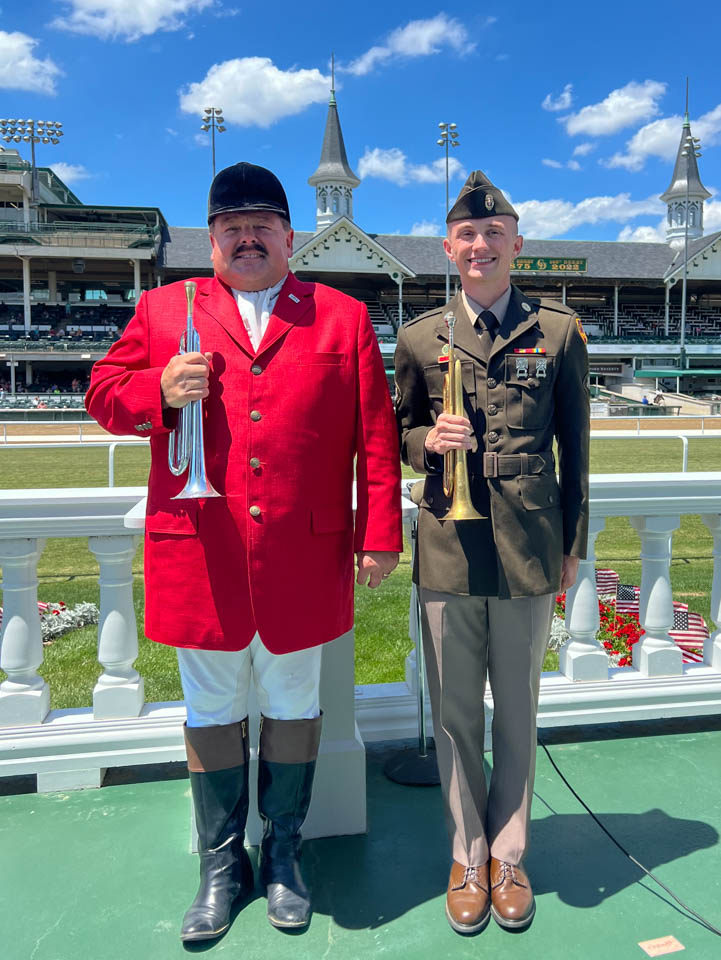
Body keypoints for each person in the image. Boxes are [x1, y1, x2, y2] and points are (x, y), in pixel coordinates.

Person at [86, 161, 402, 941]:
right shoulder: (165, 308)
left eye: (262, 225)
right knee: (212, 710)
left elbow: (374, 434)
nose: (247, 237)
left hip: (302, 554)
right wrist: (156, 390)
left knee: (295, 704)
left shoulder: (340, 316)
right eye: (232, 227)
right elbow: (101, 394)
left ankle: (285, 854)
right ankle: (221, 863)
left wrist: (380, 533)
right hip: (202, 553)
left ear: (289, 236)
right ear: (212, 239)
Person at [394, 170, 589, 935]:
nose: (479, 245)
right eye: (466, 236)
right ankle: (465, 853)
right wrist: (426, 442)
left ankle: (509, 852)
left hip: (530, 543)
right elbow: (396, 434)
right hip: (448, 538)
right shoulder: (418, 337)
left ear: (515, 244)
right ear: (449, 248)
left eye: (493, 233)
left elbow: (576, 447)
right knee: (451, 715)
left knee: (518, 709)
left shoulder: (560, 331)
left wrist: (571, 542)